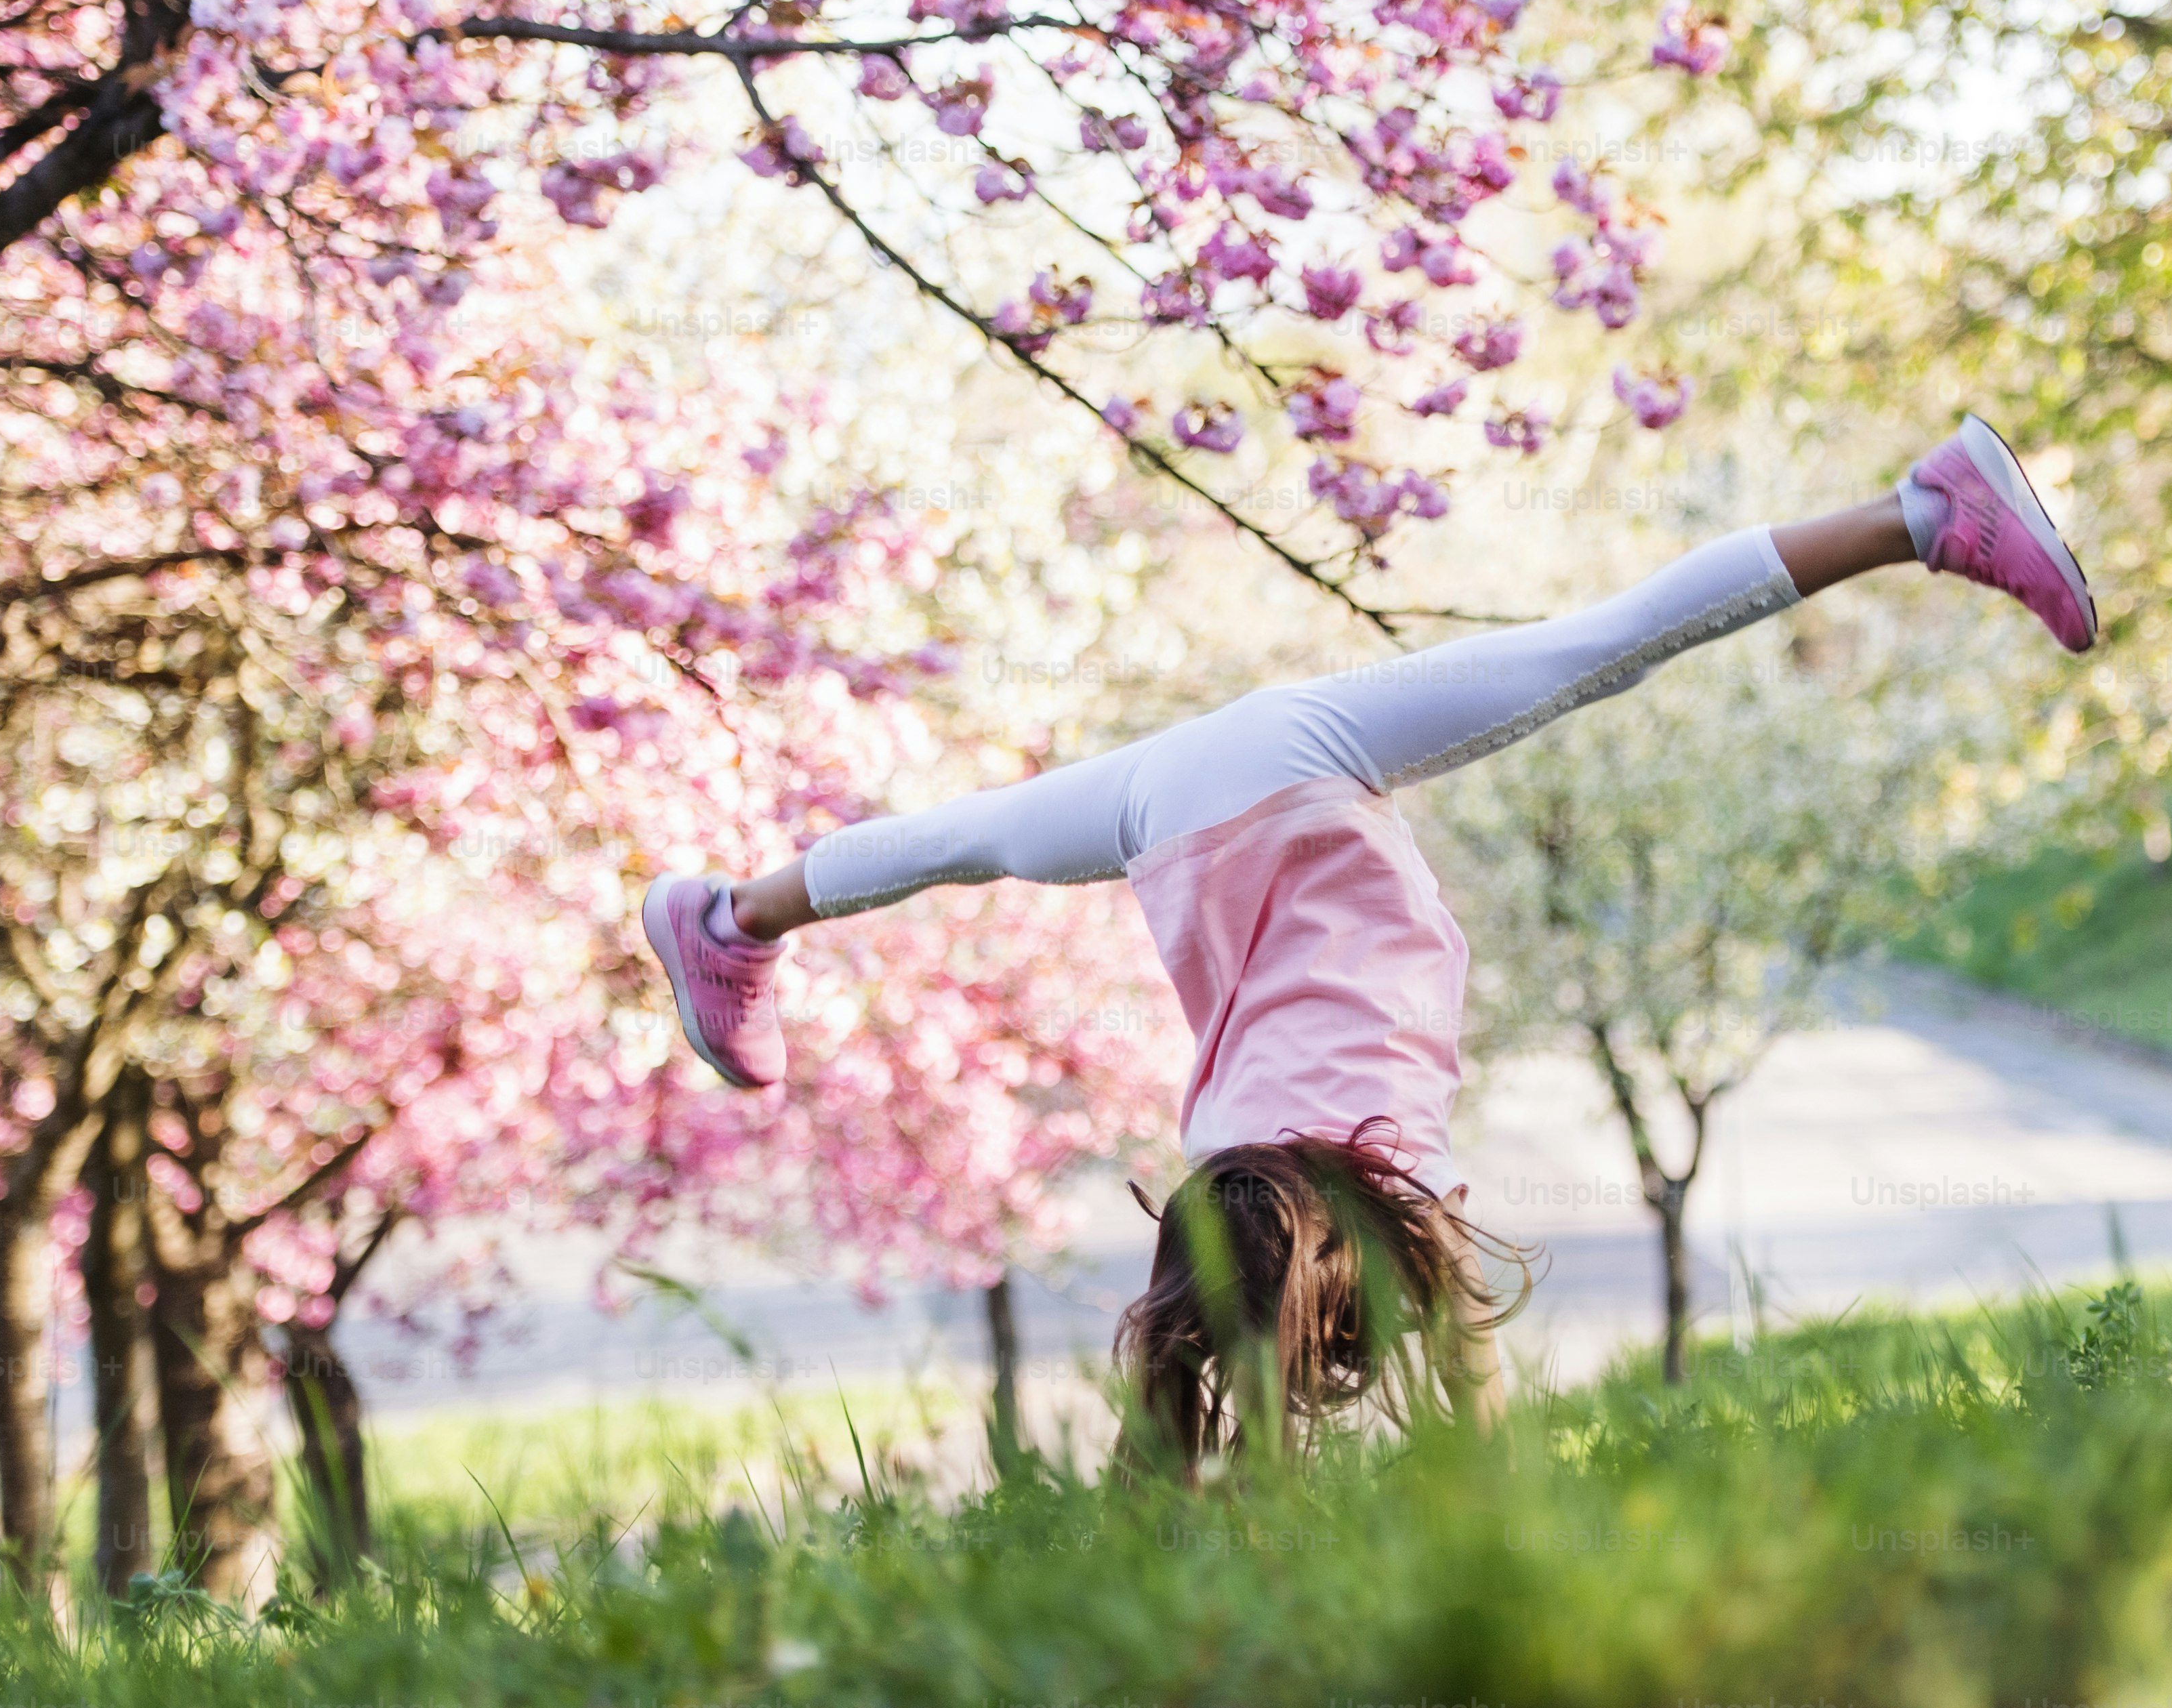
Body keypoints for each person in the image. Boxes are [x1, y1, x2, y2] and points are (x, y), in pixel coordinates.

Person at [637, 416, 2098, 1463]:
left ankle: (1930, 512)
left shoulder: (1395, 1150)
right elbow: (1202, 1324)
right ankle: (735, 915)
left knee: (1592, 654)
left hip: (1283, 766)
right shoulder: (1219, 1161)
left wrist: (1471, 1473)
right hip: (1171, 807)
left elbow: (1461, 1367)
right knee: (975, 837)